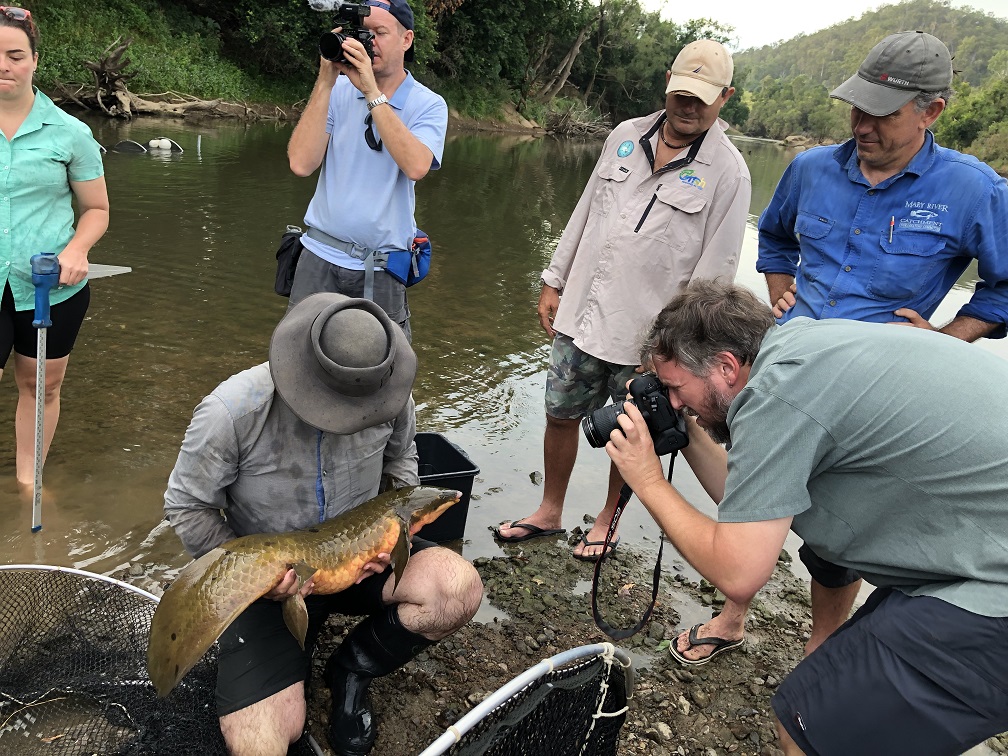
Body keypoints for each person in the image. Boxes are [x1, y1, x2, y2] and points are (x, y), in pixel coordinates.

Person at [671, 30, 1008, 665]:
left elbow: (1005, 286)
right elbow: (774, 236)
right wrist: (779, 289)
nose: (861, 126)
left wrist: (946, 341)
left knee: (839, 528)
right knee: (752, 482)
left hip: (872, 397)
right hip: (784, 368)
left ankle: (822, 643)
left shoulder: (974, 190)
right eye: (856, 108)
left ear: (932, 111)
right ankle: (734, 613)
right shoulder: (811, 169)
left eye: (882, 114)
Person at [607, 279, 1008, 755]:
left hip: (992, 587)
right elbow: (750, 501)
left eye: (675, 389)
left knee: (807, 728)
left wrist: (648, 480)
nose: (673, 401)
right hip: (972, 559)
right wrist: (682, 427)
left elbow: (739, 572)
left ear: (727, 367)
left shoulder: (776, 397)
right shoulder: (798, 350)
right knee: (827, 707)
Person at [163, 293, 483, 756]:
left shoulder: (391, 394)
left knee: (457, 590)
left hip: (362, 562)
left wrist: (391, 534)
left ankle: (351, 670)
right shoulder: (230, 412)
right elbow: (187, 506)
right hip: (274, 583)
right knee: (263, 742)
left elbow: (402, 459)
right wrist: (261, 580)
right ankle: (285, 660)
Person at [493, 39, 750, 561]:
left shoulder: (729, 172)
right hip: (582, 314)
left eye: (702, 99)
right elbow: (585, 211)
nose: (688, 107)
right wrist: (553, 279)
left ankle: (607, 521)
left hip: (650, 340)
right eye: (682, 94)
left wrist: (677, 350)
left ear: (724, 97)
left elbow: (715, 277)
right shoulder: (625, 136)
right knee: (559, 414)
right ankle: (549, 510)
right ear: (667, 83)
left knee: (632, 431)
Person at [287, 0, 447, 342]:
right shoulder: (337, 91)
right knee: (299, 357)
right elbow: (301, 163)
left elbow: (416, 166)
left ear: (406, 39)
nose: (368, 42)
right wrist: (325, 81)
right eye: (363, 32)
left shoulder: (428, 104)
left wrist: (372, 92)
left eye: (380, 33)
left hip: (380, 266)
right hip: (317, 256)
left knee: (379, 365)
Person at [0, 7, 109, 488]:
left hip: (51, 284)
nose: (4, 65)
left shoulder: (70, 132)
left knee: (41, 386)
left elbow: (96, 209)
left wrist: (78, 249)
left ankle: (29, 484)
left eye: (15, 55)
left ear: (34, 61)